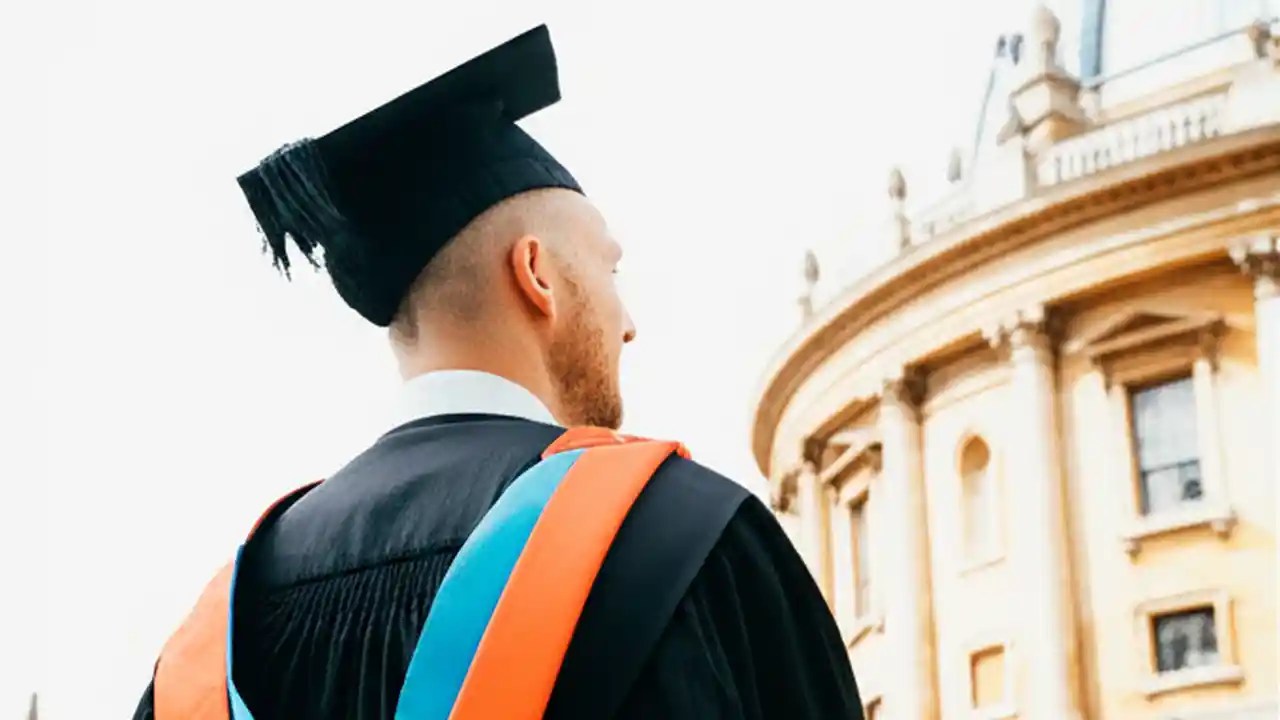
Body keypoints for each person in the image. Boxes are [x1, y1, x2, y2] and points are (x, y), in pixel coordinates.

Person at [132, 24, 861, 720]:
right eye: (609, 269)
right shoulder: (683, 540)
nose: (628, 322)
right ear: (536, 273)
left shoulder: (218, 633)